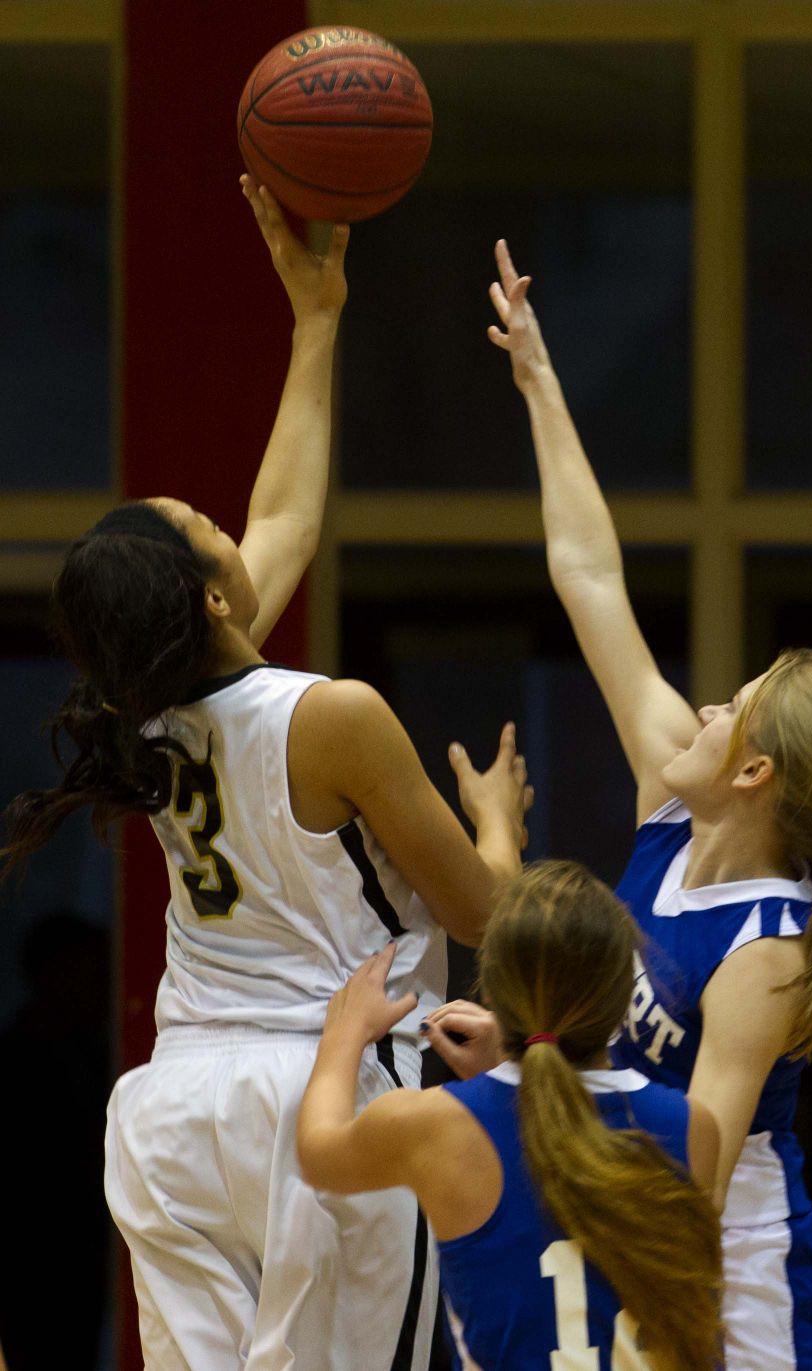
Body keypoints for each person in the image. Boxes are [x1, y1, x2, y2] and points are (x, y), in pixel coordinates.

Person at [1, 183, 530, 1371]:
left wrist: (317, 320)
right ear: (207, 592)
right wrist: (495, 826)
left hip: (174, 1110)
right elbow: (484, 914)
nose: (226, 515)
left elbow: (283, 512)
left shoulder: (150, 710)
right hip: (322, 1094)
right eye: (202, 517)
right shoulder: (335, 717)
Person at [462, 239, 812, 1371]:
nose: (703, 708)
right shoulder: (676, 804)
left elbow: (700, 1174)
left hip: (728, 1261)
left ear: (756, 773)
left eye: (733, 707)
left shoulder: (766, 952)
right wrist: (541, 383)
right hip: (623, 1208)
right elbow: (591, 577)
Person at [297, 859, 724, 1371]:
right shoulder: (694, 1126)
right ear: (622, 997)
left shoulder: (437, 1126)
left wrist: (342, 1034)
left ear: (494, 992)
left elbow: (318, 1153)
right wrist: (507, 1066)